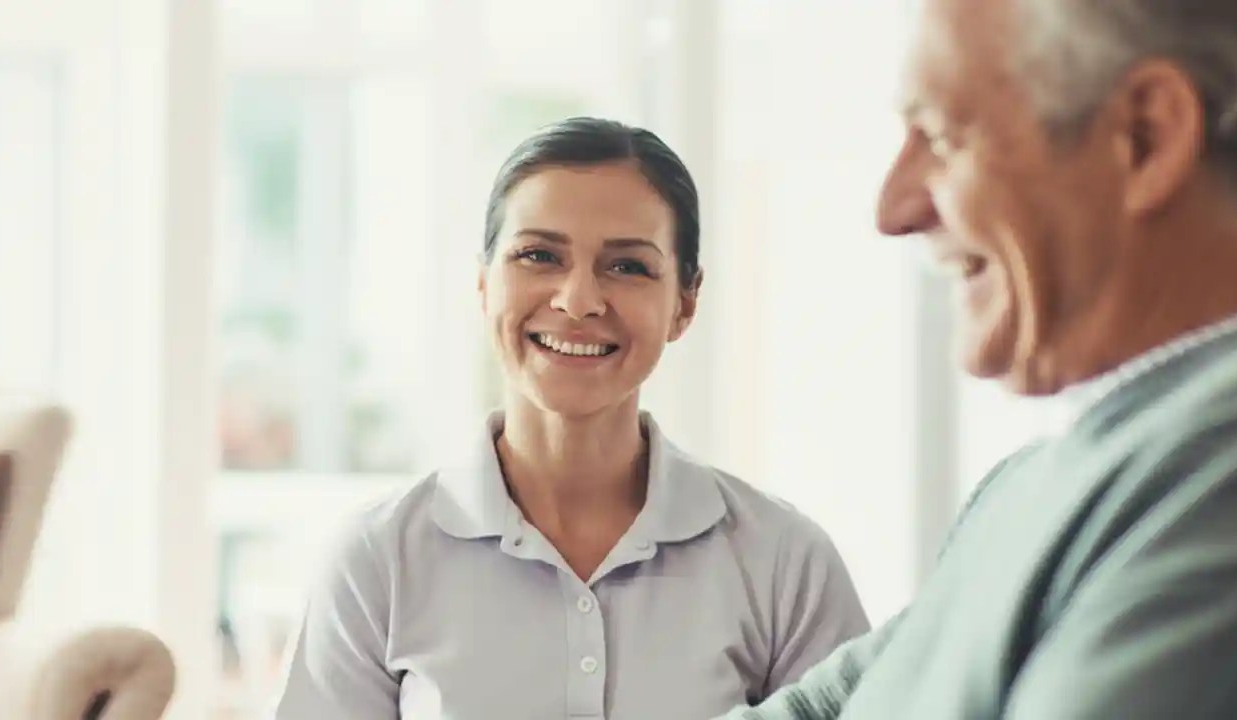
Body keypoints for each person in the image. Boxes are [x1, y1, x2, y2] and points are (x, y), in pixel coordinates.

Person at [719, 0, 1237, 718]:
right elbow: (829, 706)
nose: (893, 207)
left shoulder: (1221, 473)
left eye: (939, 136)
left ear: (1145, 137)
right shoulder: (1038, 479)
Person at [275, 117, 869, 719]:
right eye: (539, 255)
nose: (578, 300)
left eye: (628, 266)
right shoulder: (377, 562)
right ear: (485, 285)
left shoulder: (784, 563)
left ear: (685, 304)